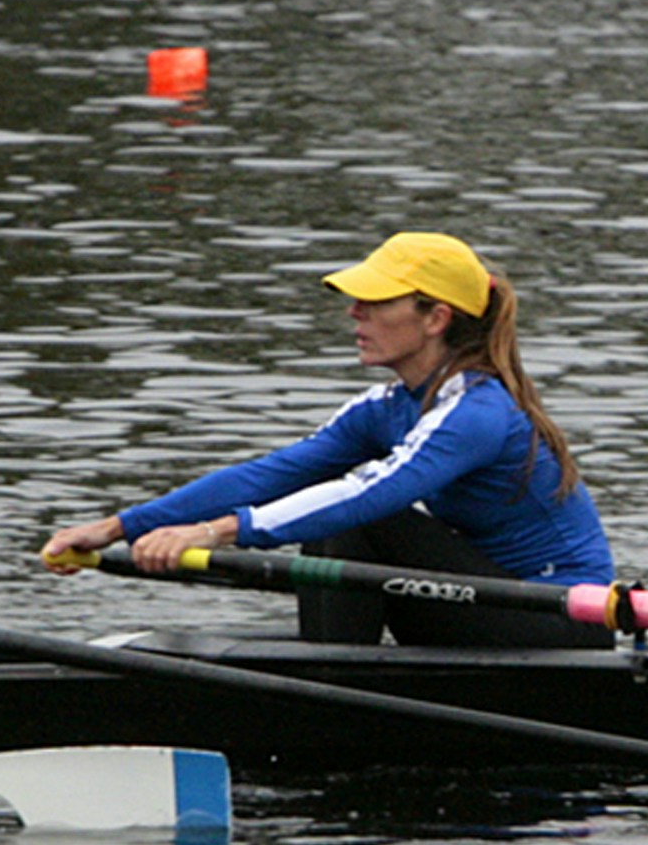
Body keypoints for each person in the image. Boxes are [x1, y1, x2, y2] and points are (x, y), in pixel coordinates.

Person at [40, 232, 613, 649]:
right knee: (330, 508)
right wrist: (119, 527)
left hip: (560, 623)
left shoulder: (480, 412)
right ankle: (329, 664)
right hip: (480, 607)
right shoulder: (387, 408)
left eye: (376, 301)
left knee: (354, 516)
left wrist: (214, 533)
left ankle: (330, 676)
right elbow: (270, 474)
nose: (354, 312)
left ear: (435, 318)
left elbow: (371, 494)